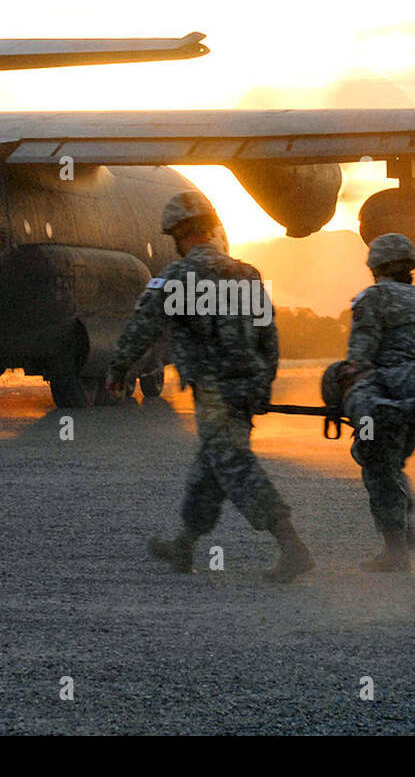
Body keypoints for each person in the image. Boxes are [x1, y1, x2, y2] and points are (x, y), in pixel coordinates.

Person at [105, 191, 313, 583]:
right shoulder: (247, 273)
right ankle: (184, 545)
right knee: (210, 469)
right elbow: (268, 335)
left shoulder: (176, 276)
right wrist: (264, 383)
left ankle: (293, 547)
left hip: (215, 391)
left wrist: (117, 369)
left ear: (178, 235)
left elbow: (142, 327)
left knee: (233, 465)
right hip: (247, 388)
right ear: (210, 228)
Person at [343, 232, 415, 571]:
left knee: (374, 459)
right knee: (391, 461)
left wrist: (349, 390)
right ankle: (404, 529)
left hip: (386, 395)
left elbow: (360, 358)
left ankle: (396, 550)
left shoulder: (373, 298)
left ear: (377, 267)